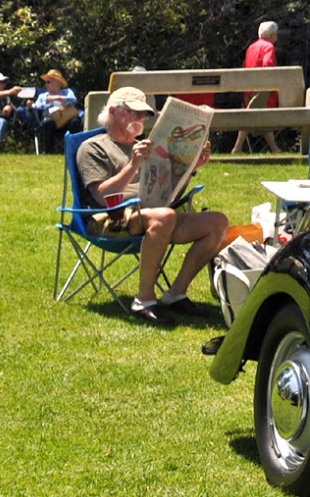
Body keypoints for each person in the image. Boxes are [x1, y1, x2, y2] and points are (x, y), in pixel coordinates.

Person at [75, 86, 230, 326]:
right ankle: (144, 300)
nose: (140, 119)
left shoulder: (149, 146)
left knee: (217, 222)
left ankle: (175, 294)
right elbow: (101, 196)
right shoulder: (94, 147)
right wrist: (134, 164)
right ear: (114, 112)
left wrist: (193, 166)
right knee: (165, 217)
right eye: (134, 113)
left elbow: (168, 189)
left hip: (155, 213)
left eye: (144, 115)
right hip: (110, 218)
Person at [230, 19, 281, 154]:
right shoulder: (268, 47)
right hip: (261, 87)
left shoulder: (251, 47)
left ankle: (274, 149)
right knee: (253, 116)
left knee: (259, 116)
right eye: (276, 34)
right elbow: (268, 65)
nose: (277, 36)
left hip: (249, 87)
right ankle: (237, 148)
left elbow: (245, 64)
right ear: (272, 35)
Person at [26, 68, 81, 153]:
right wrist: (31, 105)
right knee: (48, 123)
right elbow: (37, 107)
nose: (46, 85)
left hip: (66, 120)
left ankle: (75, 151)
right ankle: (49, 151)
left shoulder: (67, 92)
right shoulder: (43, 96)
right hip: (52, 121)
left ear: (57, 83)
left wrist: (58, 98)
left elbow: (73, 100)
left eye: (48, 82)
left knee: (76, 121)